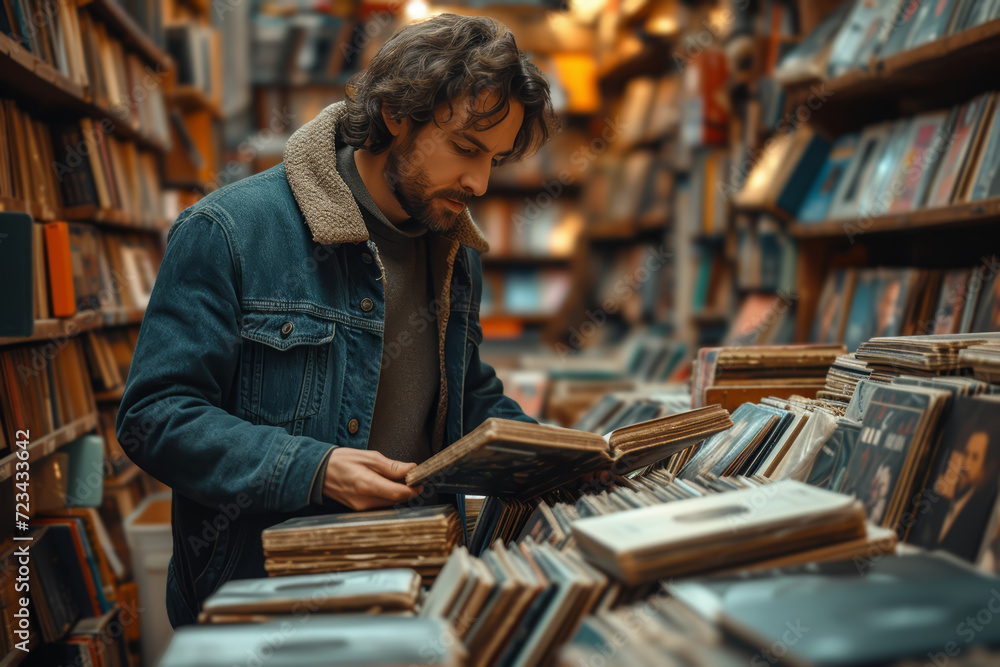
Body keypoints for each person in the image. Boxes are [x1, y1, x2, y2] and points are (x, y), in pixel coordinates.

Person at [116, 13, 558, 627]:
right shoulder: (229, 231)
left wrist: (559, 457)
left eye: (497, 160)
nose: (479, 182)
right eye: (465, 149)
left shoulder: (453, 249)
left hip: (417, 597)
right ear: (399, 114)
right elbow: (153, 417)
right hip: (267, 608)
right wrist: (315, 469)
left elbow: (468, 395)